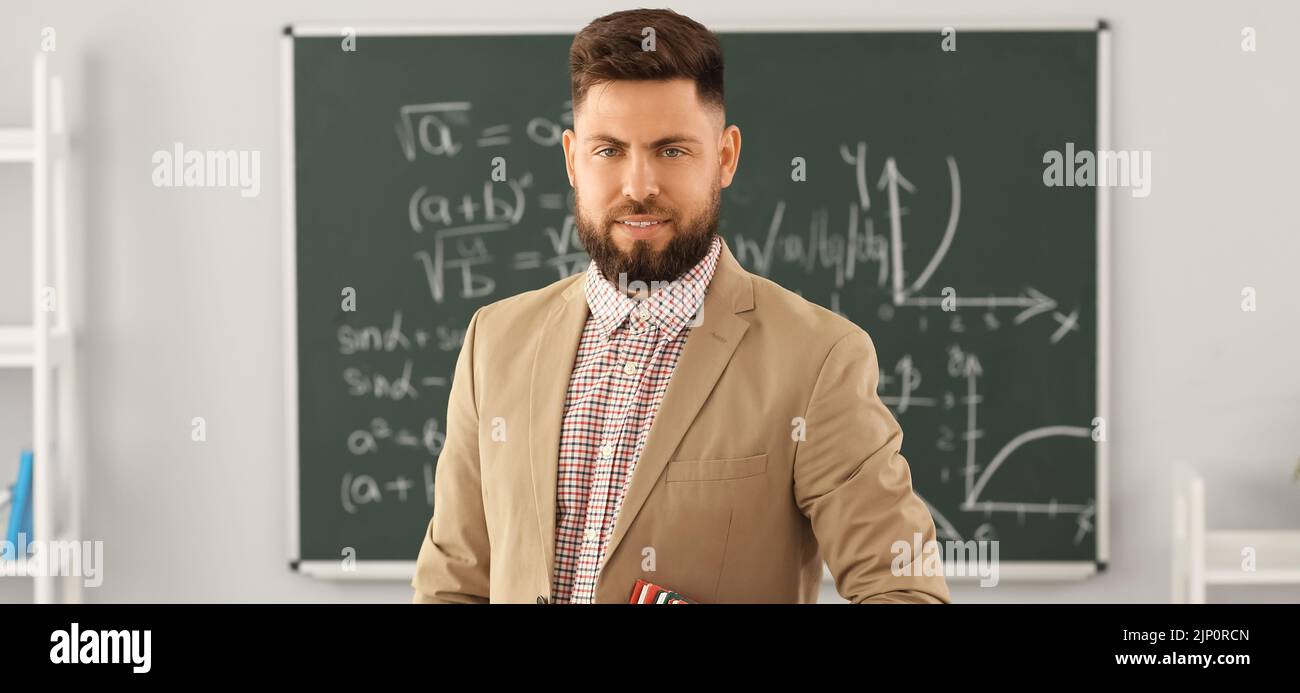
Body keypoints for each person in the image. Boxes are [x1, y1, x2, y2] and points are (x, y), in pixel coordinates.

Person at [412, 8, 950, 604]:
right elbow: (452, 585)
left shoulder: (819, 359)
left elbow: (904, 590)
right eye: (608, 151)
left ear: (724, 157)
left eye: (671, 151)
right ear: (571, 159)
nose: (638, 184)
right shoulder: (496, 340)